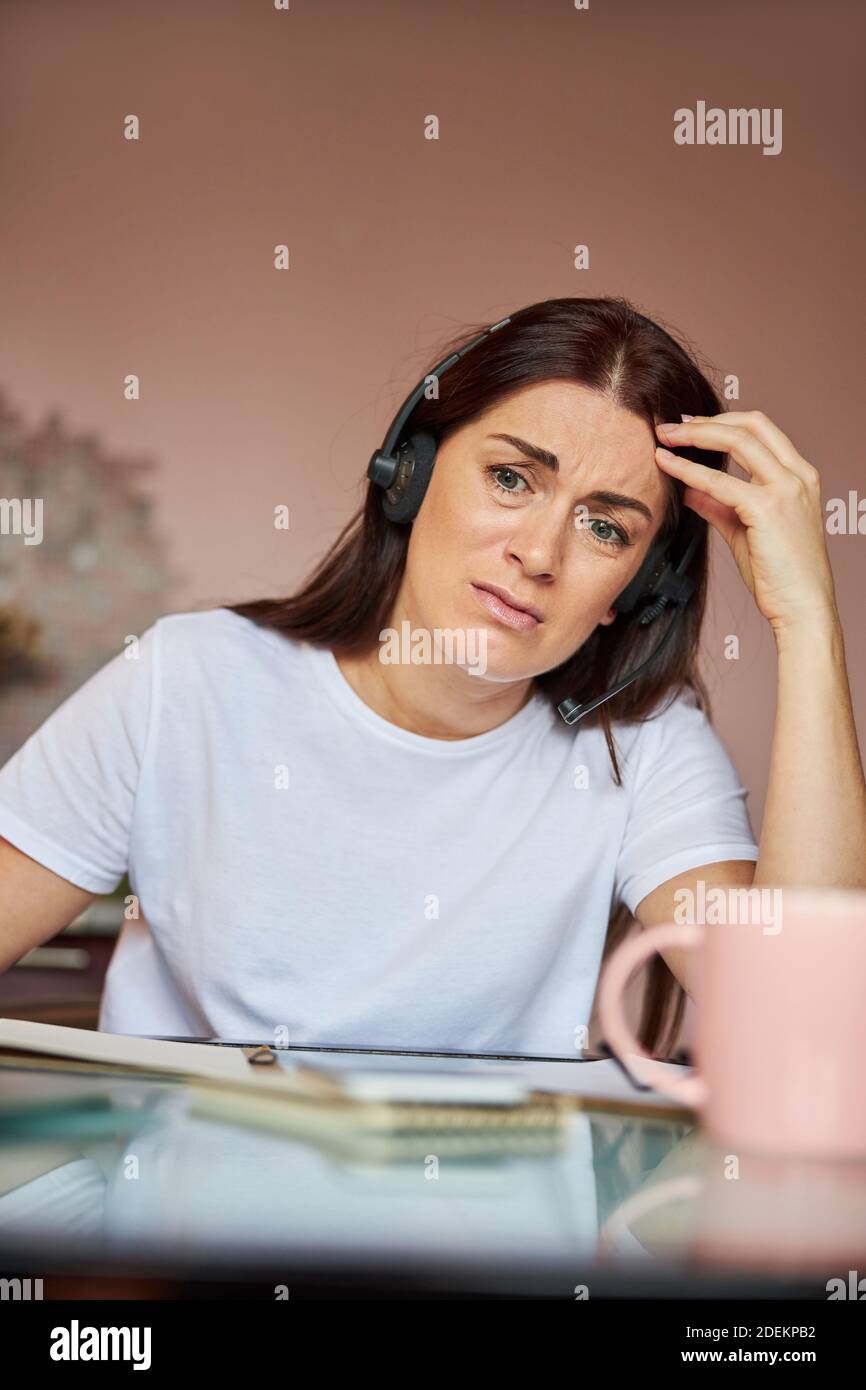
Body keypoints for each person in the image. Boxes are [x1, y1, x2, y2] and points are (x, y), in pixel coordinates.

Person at [0, 297, 863, 1058]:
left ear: (636, 591)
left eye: (605, 529)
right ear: (408, 476)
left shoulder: (639, 744)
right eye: (511, 477)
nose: (538, 553)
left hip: (485, 1242)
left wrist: (807, 623)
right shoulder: (185, 681)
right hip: (180, 1235)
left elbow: (797, 1026)